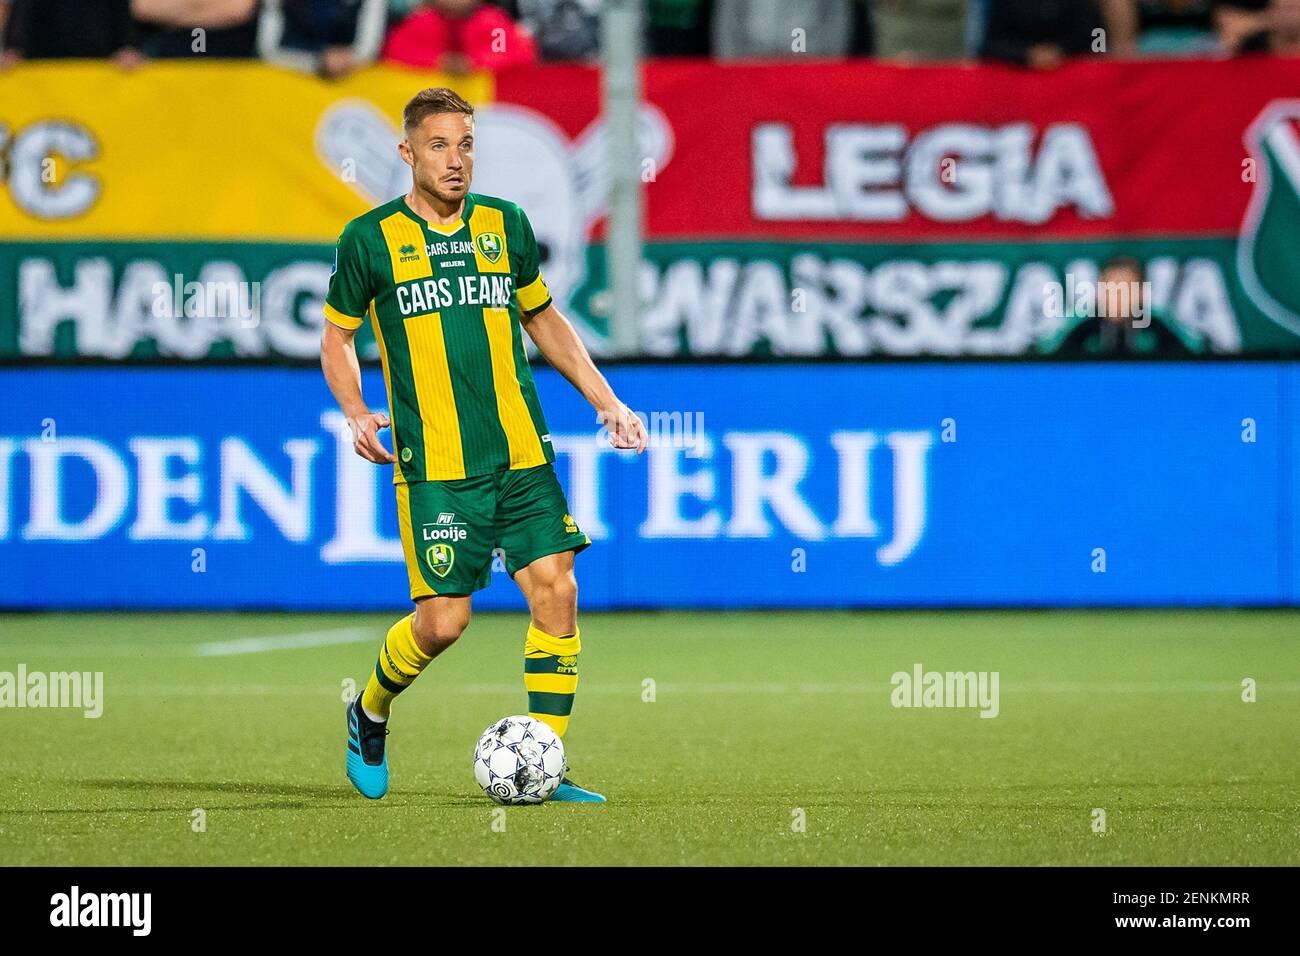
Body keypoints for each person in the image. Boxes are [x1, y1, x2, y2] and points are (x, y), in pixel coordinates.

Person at [320, 87, 647, 802]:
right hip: (437, 465)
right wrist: (354, 410)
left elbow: (545, 319)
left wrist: (608, 402)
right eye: (438, 145)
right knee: (444, 623)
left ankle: (545, 760)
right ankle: (369, 710)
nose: (455, 160)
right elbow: (337, 337)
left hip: (522, 454)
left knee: (557, 590)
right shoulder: (369, 240)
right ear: (406, 153)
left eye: (465, 144)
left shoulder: (506, 225)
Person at [1051, 257, 1197, 356]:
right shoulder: (1081, 329)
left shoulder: (1159, 329)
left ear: (1140, 292)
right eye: (1110, 287)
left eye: (1125, 288)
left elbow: (1189, 366)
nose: (1117, 296)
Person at [382, 0, 538, 71]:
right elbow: (395, 53)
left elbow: (517, 53)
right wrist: (438, 62)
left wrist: (474, 63)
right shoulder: (419, 22)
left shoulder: (494, 22)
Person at [1, 0, 141, 66]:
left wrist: (127, 46)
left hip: (98, 65)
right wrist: (14, 47)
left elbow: (121, 12)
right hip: (42, 66)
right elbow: (23, 11)